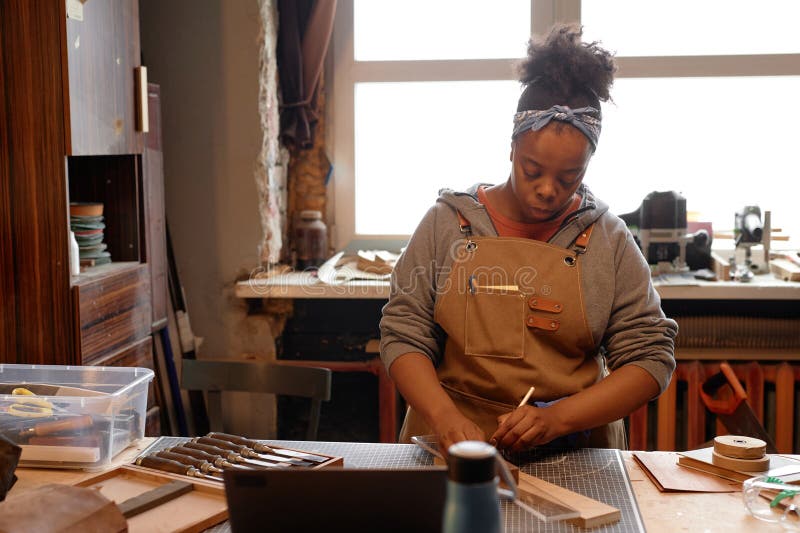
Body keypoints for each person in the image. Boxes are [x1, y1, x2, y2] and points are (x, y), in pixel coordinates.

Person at [379, 24, 677, 454]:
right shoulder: (447, 223)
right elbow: (403, 333)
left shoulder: (608, 240)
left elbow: (650, 359)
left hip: (573, 450)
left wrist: (557, 418)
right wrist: (444, 417)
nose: (547, 189)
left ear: (589, 164)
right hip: (451, 445)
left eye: (568, 177)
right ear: (512, 148)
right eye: (532, 170)